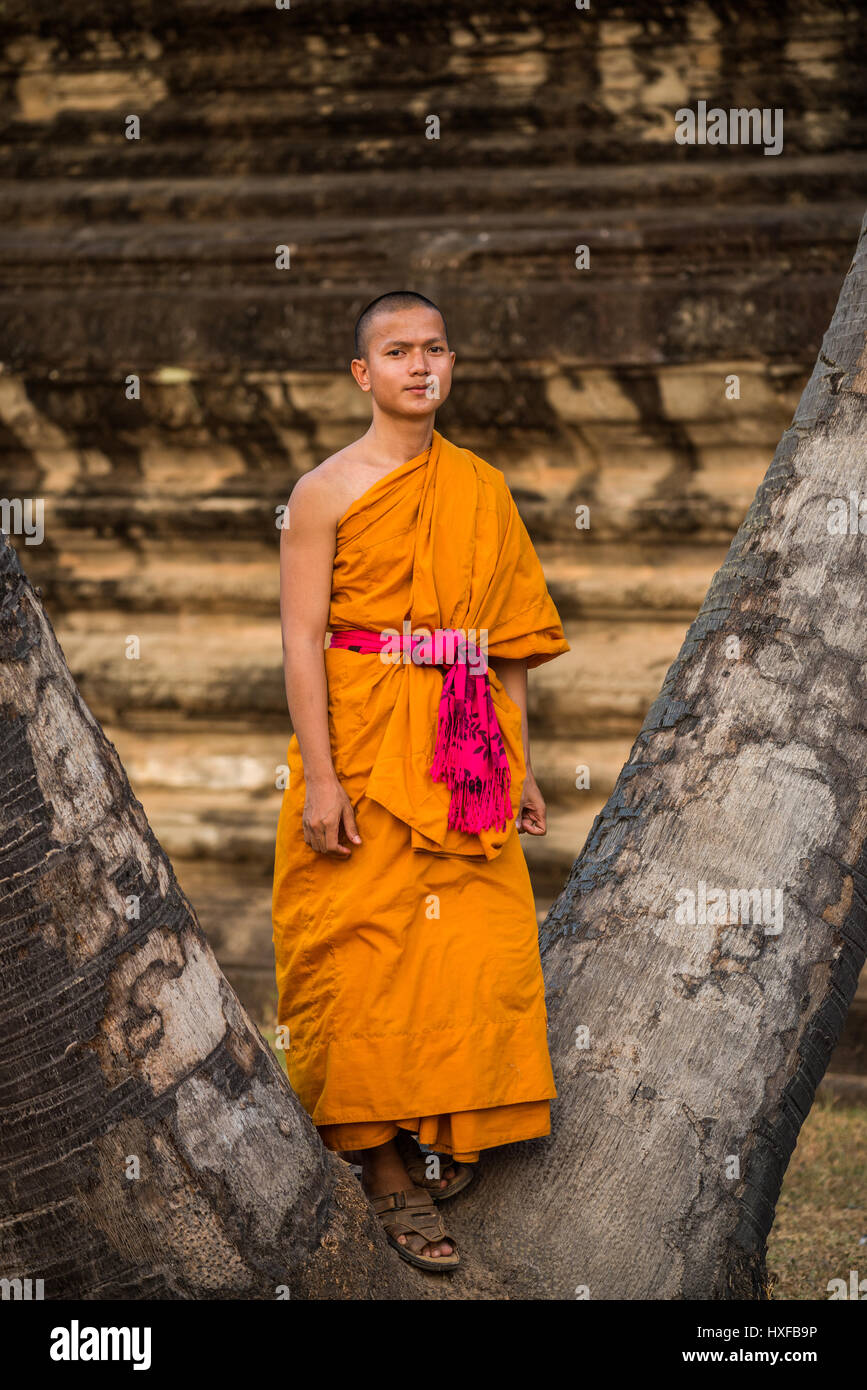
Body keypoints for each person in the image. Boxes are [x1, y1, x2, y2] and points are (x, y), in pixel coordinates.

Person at [272, 290, 570, 1271]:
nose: (418, 365)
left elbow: (509, 641)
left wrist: (519, 762)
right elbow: (303, 644)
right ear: (364, 374)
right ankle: (388, 1173)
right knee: (363, 956)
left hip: (464, 739)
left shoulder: (480, 486)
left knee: (471, 948)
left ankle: (446, 1128)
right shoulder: (325, 490)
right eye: (396, 351)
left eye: (434, 348)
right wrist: (321, 777)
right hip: (361, 738)